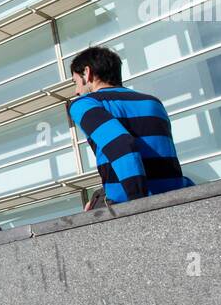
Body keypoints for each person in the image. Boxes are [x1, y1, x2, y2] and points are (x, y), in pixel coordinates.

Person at [68, 46, 194, 209]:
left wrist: (138, 206)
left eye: (75, 82)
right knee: (95, 199)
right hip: (175, 193)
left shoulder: (85, 103)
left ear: (87, 73)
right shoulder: (152, 102)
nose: (77, 91)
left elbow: (121, 145)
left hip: (133, 199)